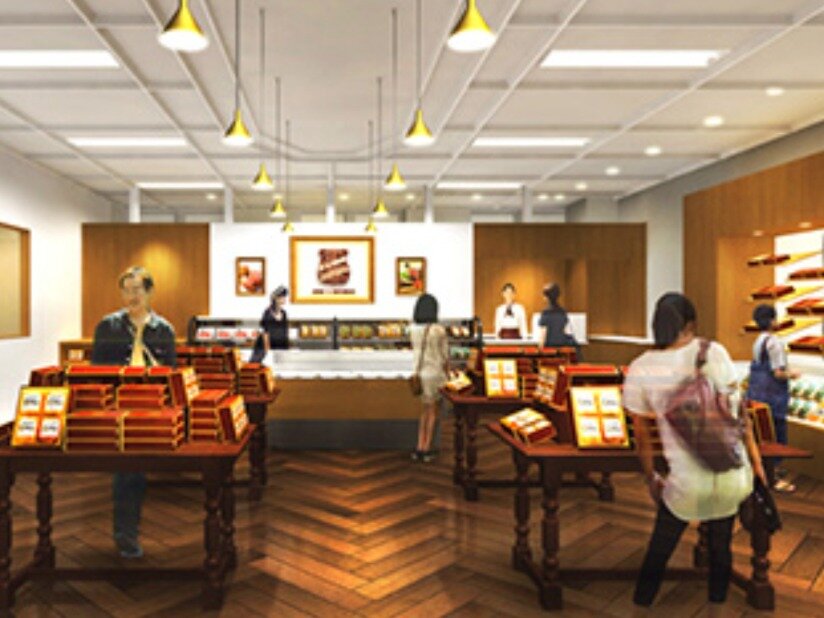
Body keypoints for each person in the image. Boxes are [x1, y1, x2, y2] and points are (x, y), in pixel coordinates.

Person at [624, 293, 766, 616]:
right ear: (691, 322)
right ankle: (716, 610)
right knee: (721, 545)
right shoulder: (714, 352)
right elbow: (740, 414)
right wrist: (756, 464)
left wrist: (651, 478)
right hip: (731, 472)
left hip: (686, 482)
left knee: (660, 548)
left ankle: (640, 609)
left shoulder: (642, 367)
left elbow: (641, 437)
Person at [91, 266, 176, 559]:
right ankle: (126, 538)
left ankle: (131, 533)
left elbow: (171, 375)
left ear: (150, 292)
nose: (131, 296)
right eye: (126, 290)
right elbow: (96, 373)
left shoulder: (164, 330)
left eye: (137, 289)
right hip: (119, 409)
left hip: (152, 408)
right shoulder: (108, 327)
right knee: (128, 472)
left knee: (137, 471)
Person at [747, 303, 799, 492]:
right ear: (772, 321)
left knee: (762, 434)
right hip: (773, 396)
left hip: (757, 394)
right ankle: (774, 477)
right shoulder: (774, 343)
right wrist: (793, 374)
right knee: (776, 434)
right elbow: (778, 373)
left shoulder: (758, 341)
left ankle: (764, 472)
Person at [410, 293, 450, 463]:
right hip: (435, 373)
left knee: (424, 411)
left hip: (420, 374)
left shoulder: (413, 330)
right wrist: (449, 375)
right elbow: (445, 356)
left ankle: (419, 446)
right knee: (433, 411)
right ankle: (427, 448)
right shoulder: (438, 330)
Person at [537, 283, 580, 357]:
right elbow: (565, 330)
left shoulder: (546, 313)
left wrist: (540, 350)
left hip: (550, 349)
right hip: (562, 347)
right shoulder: (563, 312)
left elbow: (543, 335)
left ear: (547, 297)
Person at [251, 286, 289, 362]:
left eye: (284, 297)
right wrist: (267, 350)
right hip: (267, 347)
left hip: (280, 346)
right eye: (282, 297)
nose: (284, 299)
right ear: (276, 299)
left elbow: (285, 331)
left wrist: (286, 347)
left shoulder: (284, 313)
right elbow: (265, 332)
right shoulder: (268, 313)